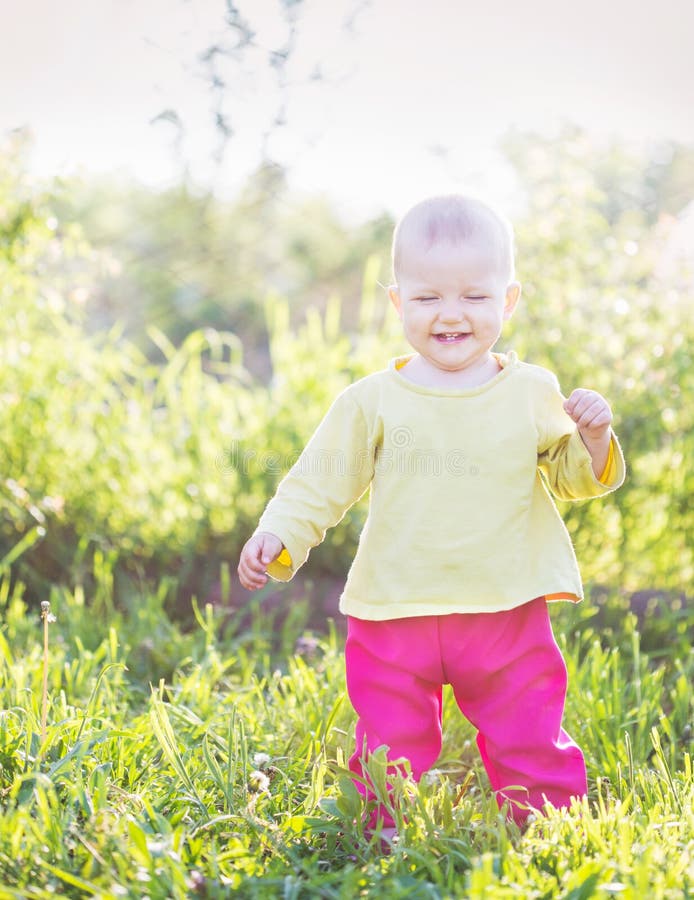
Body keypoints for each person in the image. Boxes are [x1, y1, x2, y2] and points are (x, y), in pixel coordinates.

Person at [237, 194, 626, 835]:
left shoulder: (531, 391)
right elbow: (320, 480)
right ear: (397, 302)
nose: (451, 313)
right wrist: (278, 534)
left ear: (508, 300)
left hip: (504, 606)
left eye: (475, 296)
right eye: (427, 297)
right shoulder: (372, 400)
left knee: (527, 723)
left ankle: (545, 822)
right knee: (388, 734)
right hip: (395, 606)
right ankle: (382, 826)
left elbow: (571, 477)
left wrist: (594, 438)